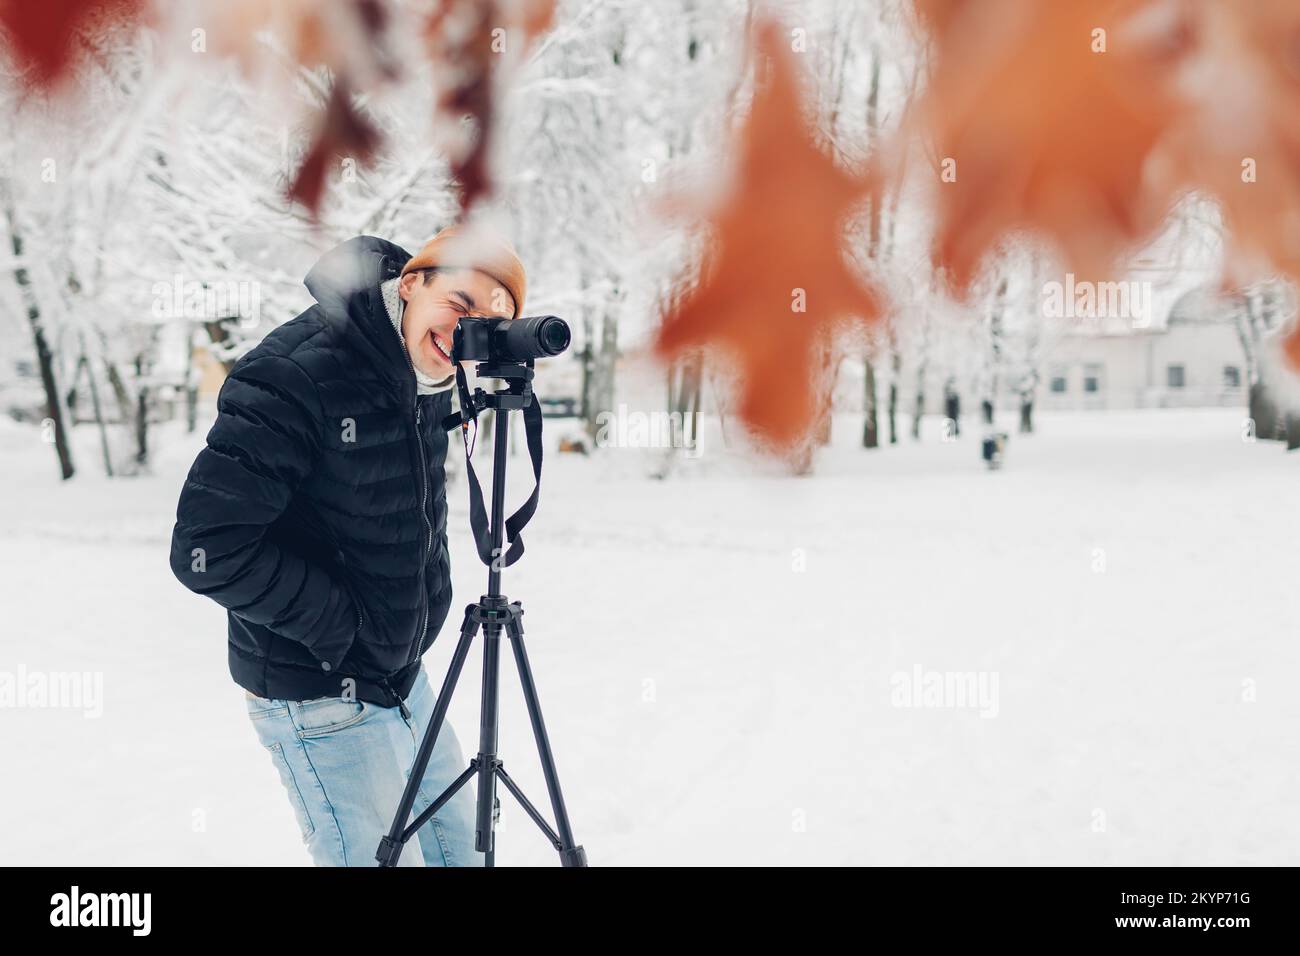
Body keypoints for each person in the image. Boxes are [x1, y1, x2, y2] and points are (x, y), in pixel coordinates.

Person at [170, 225, 526, 866]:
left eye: (490, 325)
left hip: (402, 673)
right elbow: (207, 547)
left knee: (462, 857)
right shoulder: (297, 371)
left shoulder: (423, 372)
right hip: (319, 690)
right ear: (413, 282)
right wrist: (344, 631)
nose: (467, 332)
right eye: (460, 303)